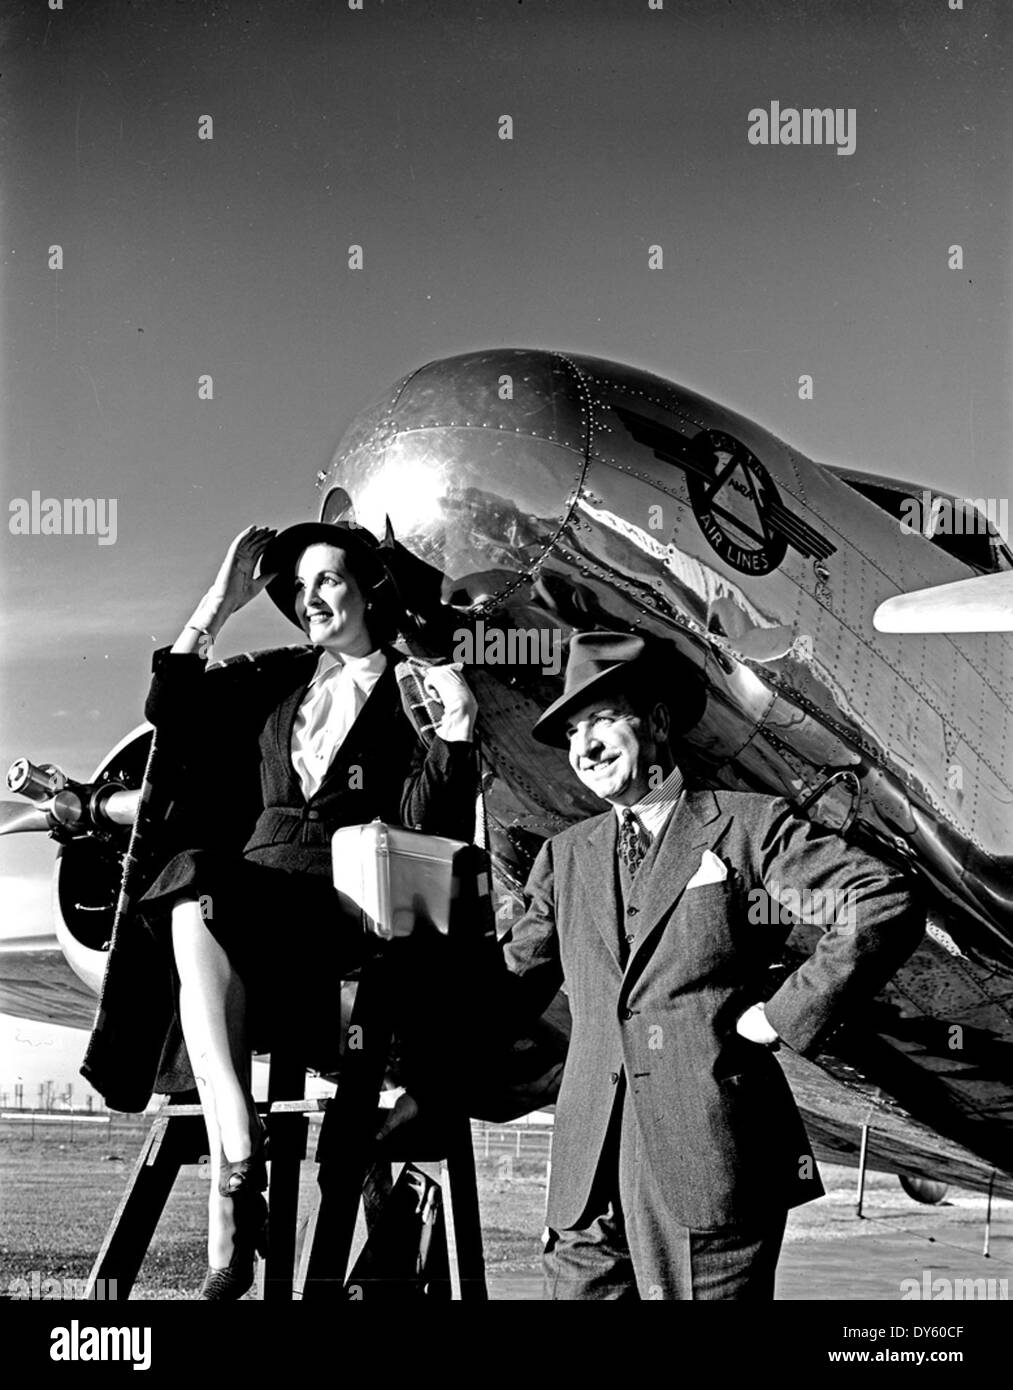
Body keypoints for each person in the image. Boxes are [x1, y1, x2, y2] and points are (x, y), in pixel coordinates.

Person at [500, 631, 924, 1300]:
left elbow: (879, 901)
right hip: (585, 1182)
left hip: (710, 1165)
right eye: (573, 731)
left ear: (657, 721)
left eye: (602, 719)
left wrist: (781, 1015)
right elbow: (506, 988)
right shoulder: (564, 856)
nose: (585, 747)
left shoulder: (749, 826)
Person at [133, 522, 478, 1300]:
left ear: (369, 592)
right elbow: (171, 711)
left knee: (197, 893)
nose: (309, 596)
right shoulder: (277, 680)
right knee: (192, 893)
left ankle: (232, 1195)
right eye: (299, 586)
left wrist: (453, 736)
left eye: (328, 579)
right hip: (255, 892)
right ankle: (237, 1136)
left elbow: (427, 823)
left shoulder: (414, 687)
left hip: (344, 904)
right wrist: (217, 606)